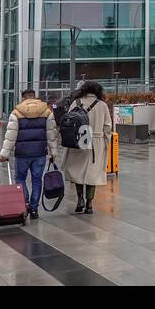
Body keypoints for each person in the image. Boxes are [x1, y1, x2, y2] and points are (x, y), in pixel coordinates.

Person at [0, 89, 59, 220]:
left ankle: (25, 202)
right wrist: (54, 152)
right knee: (37, 180)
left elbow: (11, 136)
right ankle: (34, 209)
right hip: (40, 153)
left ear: (23, 98)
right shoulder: (47, 112)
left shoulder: (16, 113)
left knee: (20, 179)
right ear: (34, 97)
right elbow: (51, 135)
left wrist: (4, 154)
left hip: (22, 154)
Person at [61, 80, 112, 215]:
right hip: (96, 142)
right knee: (92, 174)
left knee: (77, 172)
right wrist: (106, 142)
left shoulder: (76, 103)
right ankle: (89, 204)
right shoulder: (102, 105)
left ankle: (80, 200)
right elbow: (107, 127)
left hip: (78, 141)